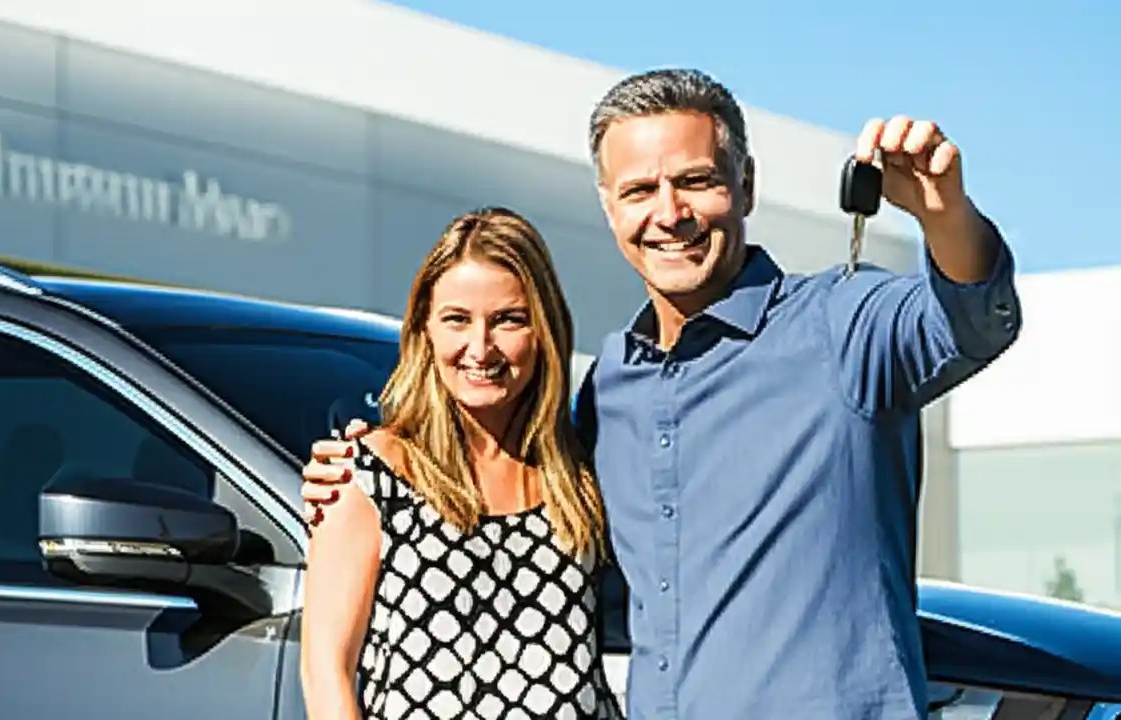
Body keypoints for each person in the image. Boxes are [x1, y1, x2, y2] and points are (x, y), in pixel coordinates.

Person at [302, 69, 1022, 719]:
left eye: (697, 182)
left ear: (745, 185)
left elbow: (971, 319)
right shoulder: (611, 383)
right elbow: (499, 471)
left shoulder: (843, 324)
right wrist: (364, 464)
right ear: (609, 207)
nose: (669, 213)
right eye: (640, 190)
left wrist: (942, 213)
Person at [299, 207, 623, 719]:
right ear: (425, 329)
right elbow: (326, 674)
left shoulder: (583, 475)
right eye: (457, 320)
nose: (480, 347)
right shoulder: (368, 475)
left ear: (545, 330)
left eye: (509, 320)